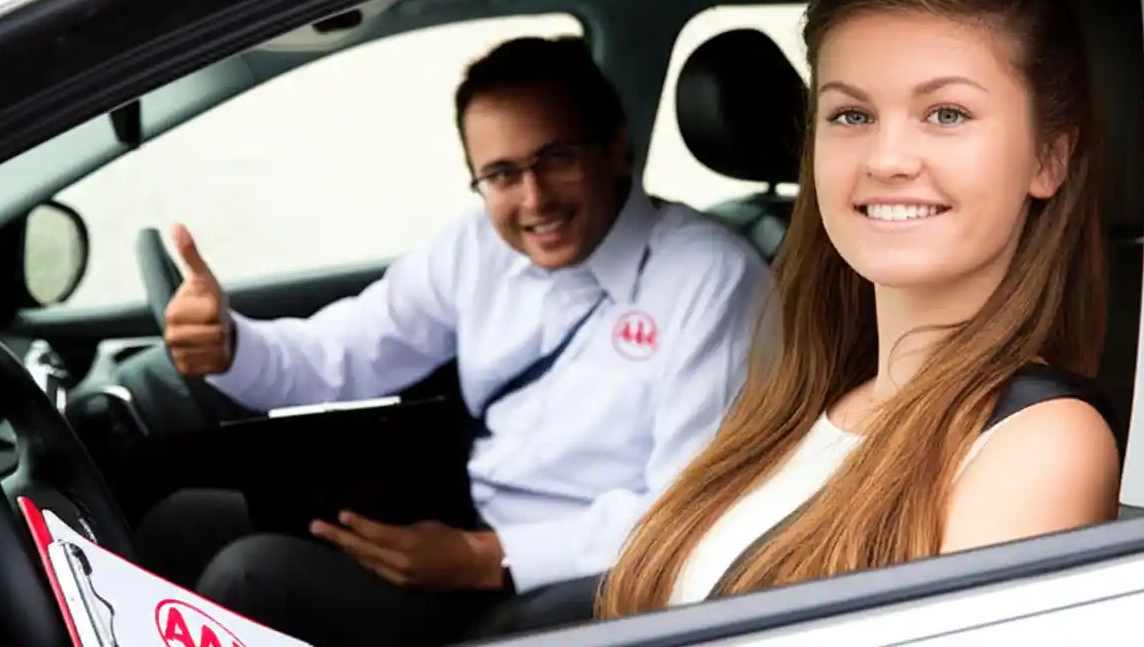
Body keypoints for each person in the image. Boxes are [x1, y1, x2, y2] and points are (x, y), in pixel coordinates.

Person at [136, 36, 771, 644]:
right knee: (178, 522)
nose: (533, 199)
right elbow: (345, 354)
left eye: (557, 158)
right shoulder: (476, 248)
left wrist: (482, 558)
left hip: (568, 582)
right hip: (469, 520)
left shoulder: (711, 278)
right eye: (500, 174)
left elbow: (688, 512)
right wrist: (228, 345)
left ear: (614, 147)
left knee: (252, 578)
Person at [597, 0, 1122, 616]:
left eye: (946, 114)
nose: (887, 158)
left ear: (1047, 159)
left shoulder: (1042, 441)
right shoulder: (799, 400)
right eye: (852, 114)